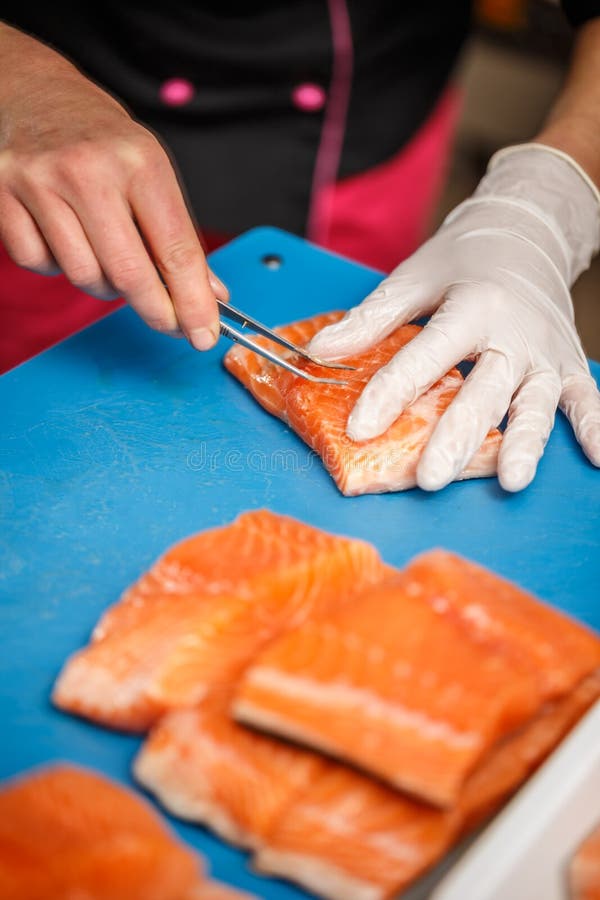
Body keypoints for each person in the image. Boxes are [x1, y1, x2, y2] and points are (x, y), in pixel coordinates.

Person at [0, 2, 599, 492]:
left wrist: (552, 192)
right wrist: (19, 79)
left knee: (383, 339)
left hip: (368, 128)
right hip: (44, 153)